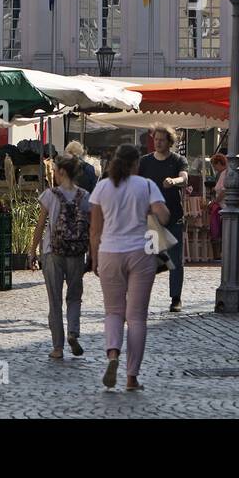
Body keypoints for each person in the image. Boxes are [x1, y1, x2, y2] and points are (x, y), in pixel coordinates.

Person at [90, 144, 170, 391]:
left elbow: (94, 230)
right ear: (136, 163)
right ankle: (131, 377)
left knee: (113, 311)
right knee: (136, 317)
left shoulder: (102, 187)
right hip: (140, 252)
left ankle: (112, 355)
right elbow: (164, 216)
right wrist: (149, 210)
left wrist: (94, 259)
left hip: (109, 252)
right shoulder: (146, 185)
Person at [29, 155, 90, 360]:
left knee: (54, 301)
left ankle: (57, 347)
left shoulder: (50, 195)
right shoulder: (85, 196)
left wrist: (32, 250)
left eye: (54, 170)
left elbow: (40, 225)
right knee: (74, 297)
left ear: (62, 172)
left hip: (52, 252)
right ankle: (73, 331)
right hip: (76, 253)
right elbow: (92, 227)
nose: (53, 173)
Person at [137, 124, 189, 312]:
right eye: (155, 139)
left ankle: (176, 298)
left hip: (173, 217)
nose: (157, 143)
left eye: (161, 140)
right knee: (148, 261)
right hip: (151, 219)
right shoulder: (145, 162)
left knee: (175, 260)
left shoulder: (177, 160)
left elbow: (184, 178)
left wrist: (173, 181)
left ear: (169, 142)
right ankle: (141, 299)